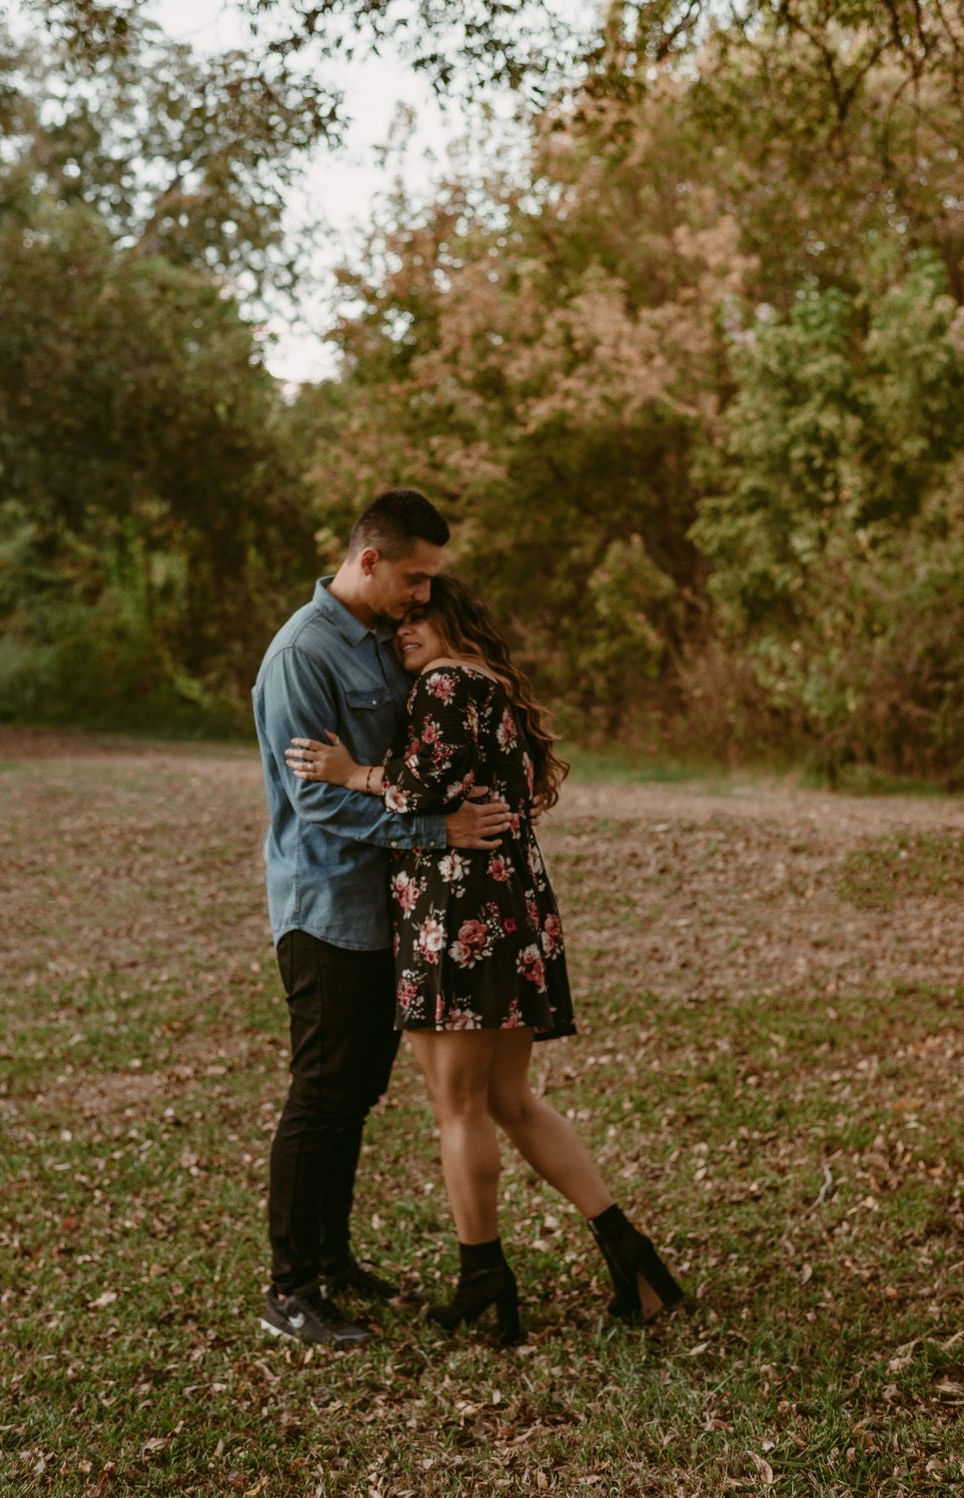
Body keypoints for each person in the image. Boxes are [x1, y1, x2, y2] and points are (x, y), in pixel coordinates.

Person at [286, 574, 684, 1345]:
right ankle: (629, 1254)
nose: (405, 629)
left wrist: (350, 773)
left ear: (456, 620)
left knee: (460, 1107)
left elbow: (420, 785)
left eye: (422, 616)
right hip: (505, 906)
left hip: (456, 912)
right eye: (401, 620)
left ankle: (484, 1279)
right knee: (510, 1100)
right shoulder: (490, 686)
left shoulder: (443, 685)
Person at [252, 491, 514, 1349]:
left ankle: (333, 1261)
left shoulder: (384, 639)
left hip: (393, 908)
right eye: (414, 577)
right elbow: (318, 800)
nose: (422, 595)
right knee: (322, 1094)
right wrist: (438, 831)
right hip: (327, 907)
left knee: (357, 1094)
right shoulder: (302, 654)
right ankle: (291, 1289)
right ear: (369, 560)